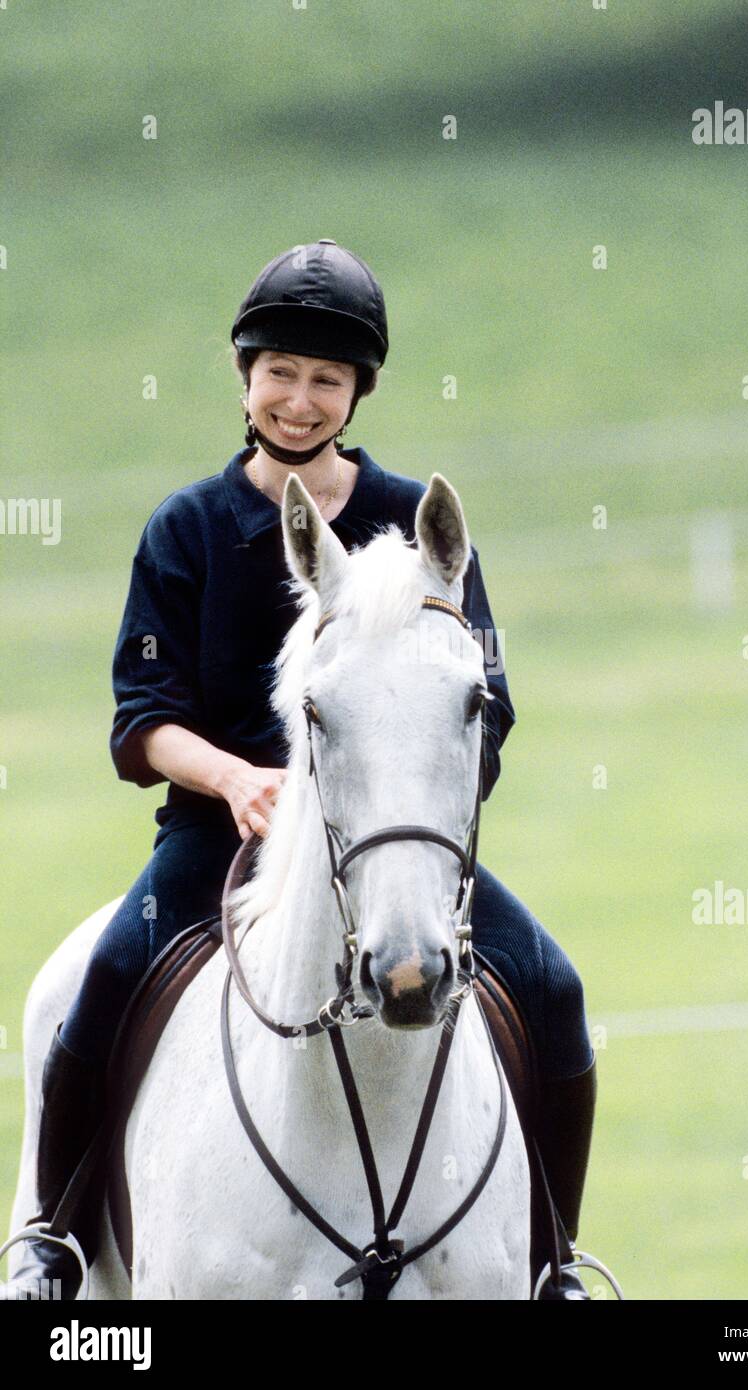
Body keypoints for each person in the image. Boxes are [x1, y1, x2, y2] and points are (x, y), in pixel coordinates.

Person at [4, 241, 598, 1301]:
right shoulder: (186, 528)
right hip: (217, 840)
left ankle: (553, 1259)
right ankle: (52, 1237)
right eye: (280, 371)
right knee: (92, 985)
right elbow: (143, 722)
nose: (300, 398)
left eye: (327, 378)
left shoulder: (421, 529)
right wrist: (238, 782)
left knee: (553, 988)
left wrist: (414, 808)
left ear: (357, 391)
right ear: (245, 377)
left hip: (393, 843)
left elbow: (484, 708)